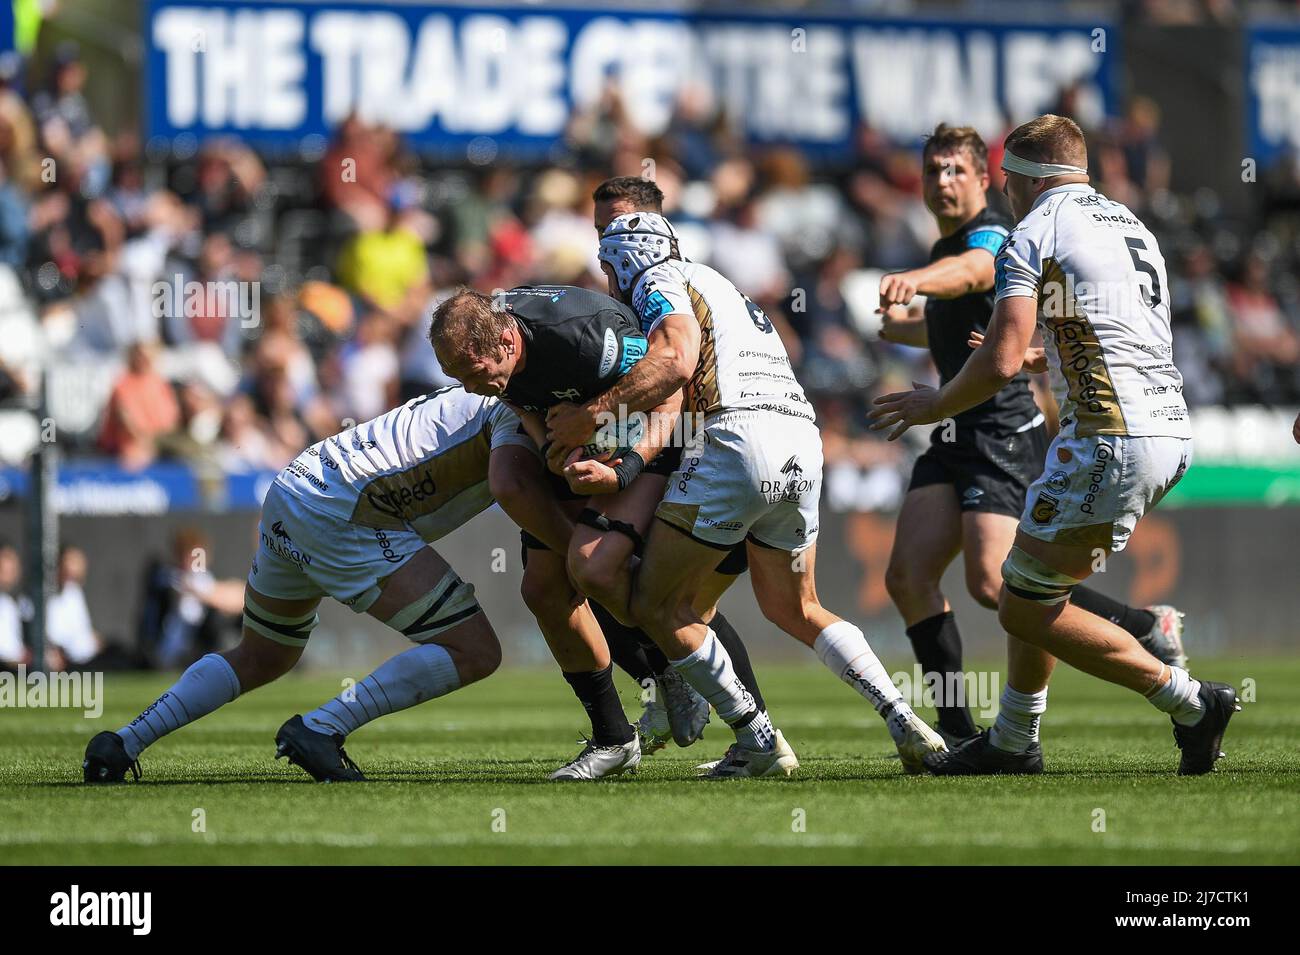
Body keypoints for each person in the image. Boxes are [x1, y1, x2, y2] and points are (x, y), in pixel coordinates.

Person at [870, 114, 1238, 776]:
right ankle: (1012, 739)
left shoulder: (1032, 229)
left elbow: (998, 361)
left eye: (1003, 178)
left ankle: (1190, 701)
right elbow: (1117, 326)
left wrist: (933, 402)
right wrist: (1051, 354)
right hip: (1166, 426)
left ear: (1018, 178)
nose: (1002, 191)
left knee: (1016, 600)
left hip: (1107, 435)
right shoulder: (1130, 225)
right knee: (1026, 585)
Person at [545, 210, 946, 778]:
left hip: (735, 439)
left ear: (620, 262)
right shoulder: (718, 281)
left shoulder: (657, 282)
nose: (609, 283)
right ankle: (900, 714)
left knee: (658, 606)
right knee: (796, 606)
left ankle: (758, 739)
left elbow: (676, 360)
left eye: (609, 269)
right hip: (800, 440)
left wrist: (593, 418)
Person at [82, 386, 606, 783]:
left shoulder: (486, 392)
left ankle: (122, 742)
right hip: (345, 513)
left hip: (296, 484)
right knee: (473, 650)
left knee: (262, 655)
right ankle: (322, 727)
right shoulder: (517, 409)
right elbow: (512, 485)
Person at [430, 284, 767, 777]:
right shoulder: (498, 354)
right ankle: (616, 735)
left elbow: (671, 388)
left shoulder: (582, 338)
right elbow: (522, 401)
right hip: (590, 440)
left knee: (609, 573)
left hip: (656, 441)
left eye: (472, 371)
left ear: (506, 341)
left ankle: (745, 722)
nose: (466, 386)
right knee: (545, 590)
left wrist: (626, 468)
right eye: (453, 375)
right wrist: (559, 449)